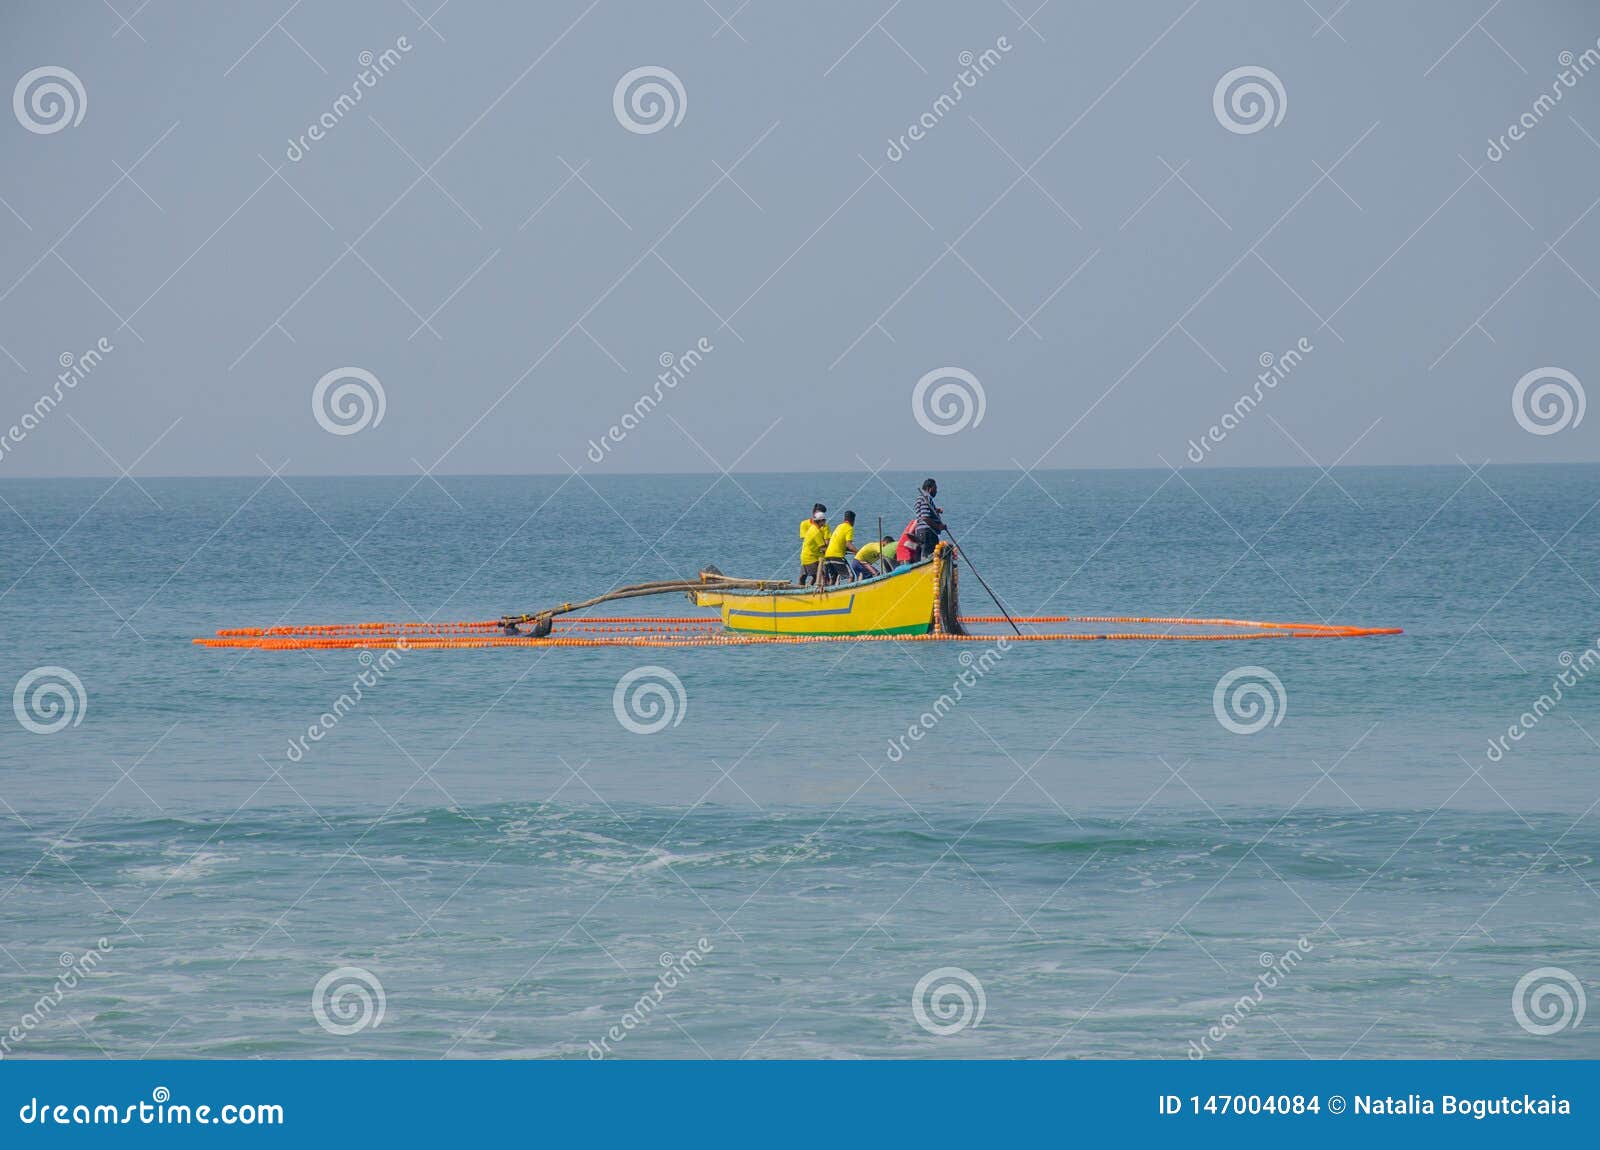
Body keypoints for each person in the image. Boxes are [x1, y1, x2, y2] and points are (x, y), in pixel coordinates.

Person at [896, 478, 946, 564]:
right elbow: (925, 517)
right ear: (929, 488)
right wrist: (938, 526)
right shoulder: (926, 497)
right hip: (928, 533)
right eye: (935, 488)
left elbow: (924, 512)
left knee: (925, 555)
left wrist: (936, 510)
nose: (936, 491)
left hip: (921, 532)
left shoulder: (920, 499)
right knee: (929, 557)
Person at [823, 510, 858, 584]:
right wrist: (857, 552)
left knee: (834, 577)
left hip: (827, 556)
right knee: (851, 576)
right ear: (853, 520)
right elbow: (849, 544)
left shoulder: (839, 526)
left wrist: (846, 549)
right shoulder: (849, 528)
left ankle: (832, 593)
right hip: (836, 556)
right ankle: (849, 592)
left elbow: (840, 543)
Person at [798, 507, 829, 585]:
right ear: (821, 521)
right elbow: (823, 548)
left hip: (806, 556)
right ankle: (816, 593)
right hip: (811, 558)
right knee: (821, 577)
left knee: (806, 577)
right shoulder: (816, 532)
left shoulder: (812, 528)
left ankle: (806, 590)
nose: (825, 523)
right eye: (824, 521)